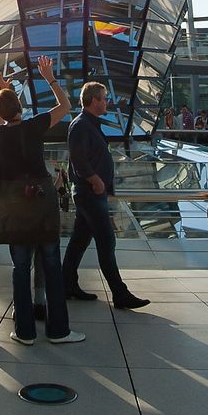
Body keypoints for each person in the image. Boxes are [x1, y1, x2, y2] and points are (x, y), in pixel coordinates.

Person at [0, 57, 85, 344]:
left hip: (12, 203)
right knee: (52, 265)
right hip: (42, 201)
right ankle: (58, 330)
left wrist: (3, 91)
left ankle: (24, 331)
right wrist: (50, 78)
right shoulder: (33, 126)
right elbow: (66, 107)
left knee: (20, 268)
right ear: (20, 108)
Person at [62, 81, 150, 309]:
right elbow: (78, 159)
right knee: (106, 241)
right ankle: (119, 293)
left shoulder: (89, 124)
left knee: (79, 240)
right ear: (93, 101)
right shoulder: (81, 125)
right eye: (103, 98)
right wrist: (95, 179)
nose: (107, 101)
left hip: (91, 192)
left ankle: (67, 284)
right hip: (89, 192)